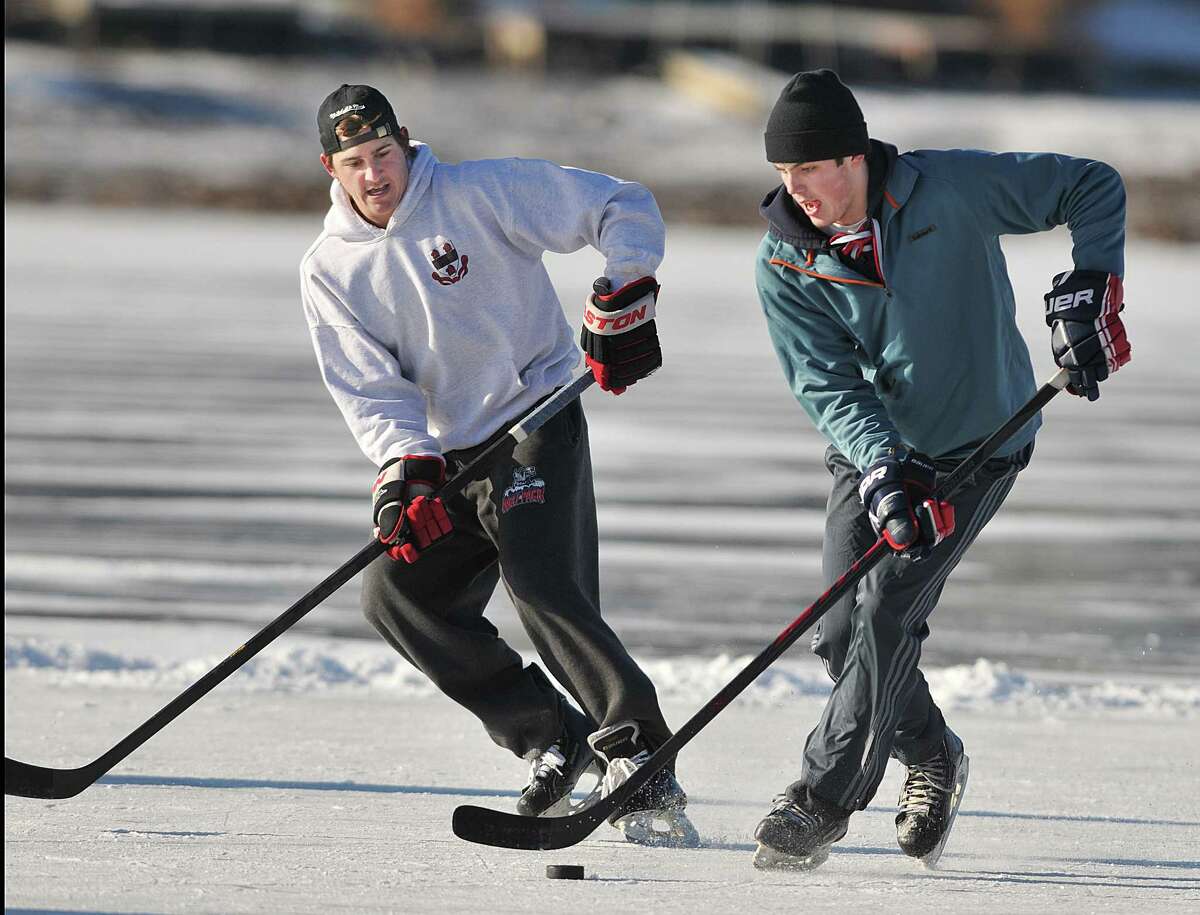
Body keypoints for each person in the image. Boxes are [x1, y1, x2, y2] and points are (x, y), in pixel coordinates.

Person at [298, 84, 698, 847]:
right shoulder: (329, 269)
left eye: (384, 153)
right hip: (449, 458)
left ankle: (639, 754)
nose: (375, 174)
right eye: (356, 162)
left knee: (541, 582)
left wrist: (626, 287)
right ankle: (550, 731)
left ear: (404, 143)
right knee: (393, 592)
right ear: (332, 168)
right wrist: (402, 471)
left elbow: (623, 203)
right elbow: (370, 388)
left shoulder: (483, 192)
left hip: (534, 422)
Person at [751, 70, 1130, 870]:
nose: (801, 190)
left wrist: (1095, 279)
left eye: (814, 169)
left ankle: (822, 798)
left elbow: (1092, 186)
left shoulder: (951, 188)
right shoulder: (784, 260)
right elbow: (827, 383)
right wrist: (884, 469)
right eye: (787, 175)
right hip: (873, 449)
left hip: (978, 443)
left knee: (887, 609)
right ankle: (933, 755)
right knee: (838, 633)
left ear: (855, 157)